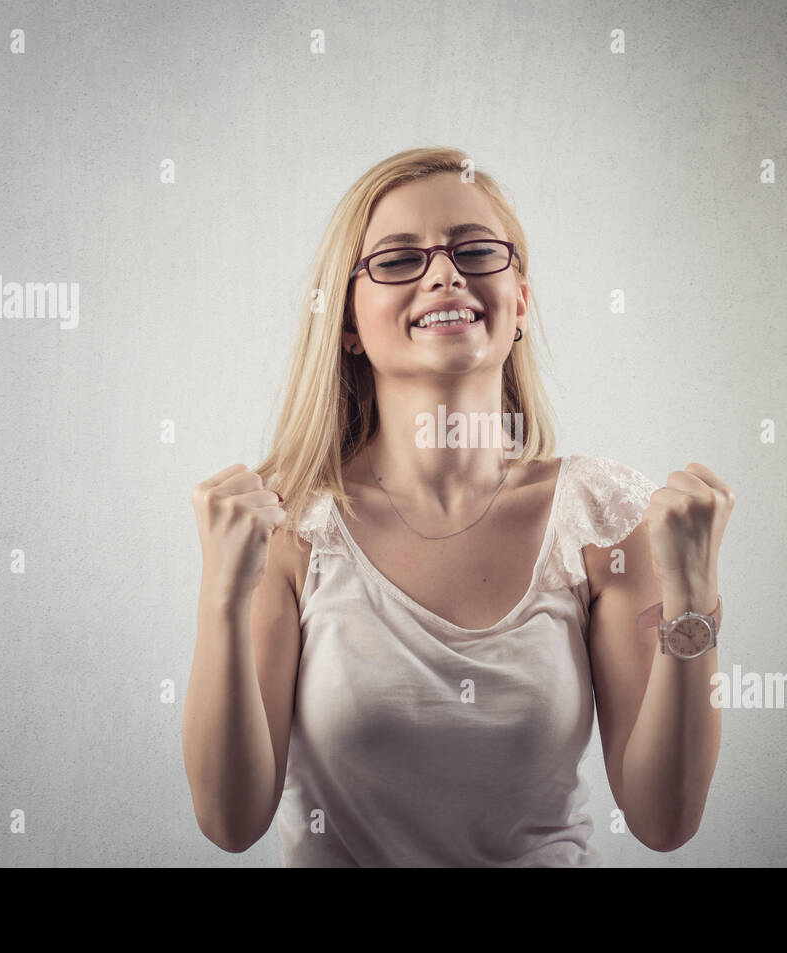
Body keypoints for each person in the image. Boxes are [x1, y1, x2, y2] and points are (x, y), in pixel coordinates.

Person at [183, 147, 733, 866]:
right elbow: (230, 821)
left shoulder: (604, 518)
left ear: (521, 304)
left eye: (475, 250)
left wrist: (694, 596)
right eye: (398, 259)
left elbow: (664, 819)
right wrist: (222, 594)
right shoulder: (287, 528)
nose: (445, 272)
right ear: (348, 321)